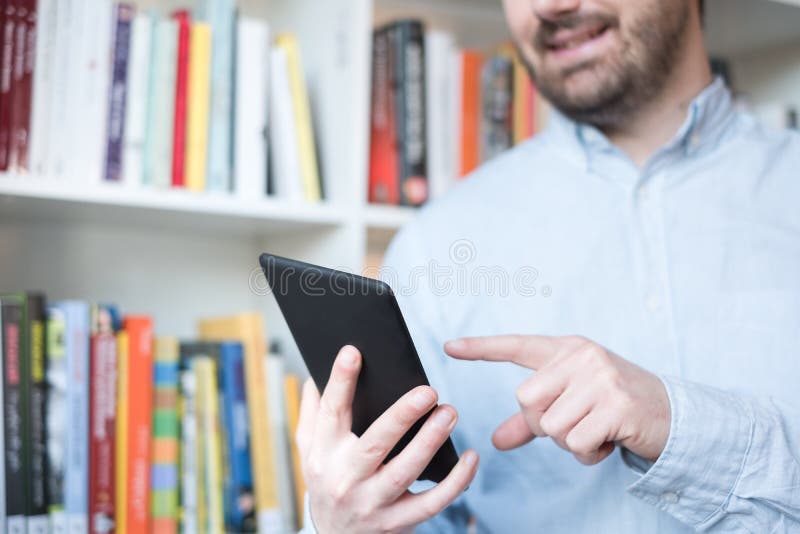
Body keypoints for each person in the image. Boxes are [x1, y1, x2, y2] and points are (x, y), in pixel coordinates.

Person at [297, 0, 800, 532]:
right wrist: (341, 524)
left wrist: (679, 425)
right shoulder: (432, 248)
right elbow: (416, 513)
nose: (549, 5)